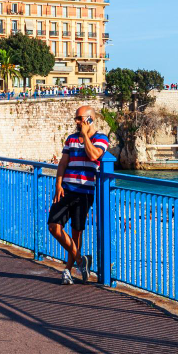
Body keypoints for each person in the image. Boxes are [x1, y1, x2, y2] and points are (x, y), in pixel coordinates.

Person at [48, 105, 109, 285]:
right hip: (66, 189)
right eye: (76, 118)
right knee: (53, 227)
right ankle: (81, 260)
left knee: (76, 233)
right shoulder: (71, 139)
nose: (76, 121)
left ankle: (68, 270)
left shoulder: (101, 138)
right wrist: (58, 185)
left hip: (85, 193)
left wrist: (85, 136)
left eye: (79, 118)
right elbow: (63, 163)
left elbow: (94, 155)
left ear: (90, 119)